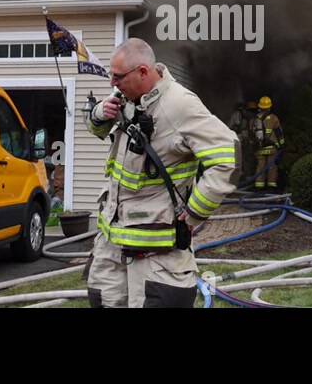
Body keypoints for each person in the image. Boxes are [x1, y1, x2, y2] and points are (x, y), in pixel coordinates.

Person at [85, 38, 240, 308]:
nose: (112, 83)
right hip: (112, 244)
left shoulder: (179, 105)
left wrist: (195, 212)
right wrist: (99, 115)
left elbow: (228, 157)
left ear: (143, 72)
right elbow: (99, 132)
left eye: (118, 76)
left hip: (156, 253)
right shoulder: (125, 98)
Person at [253, 96, 284, 191]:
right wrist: (281, 144)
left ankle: (259, 186)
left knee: (260, 167)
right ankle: (271, 186)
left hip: (260, 148)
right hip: (272, 148)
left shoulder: (255, 119)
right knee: (272, 167)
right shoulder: (274, 118)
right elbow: (279, 132)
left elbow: (252, 133)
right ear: (270, 107)